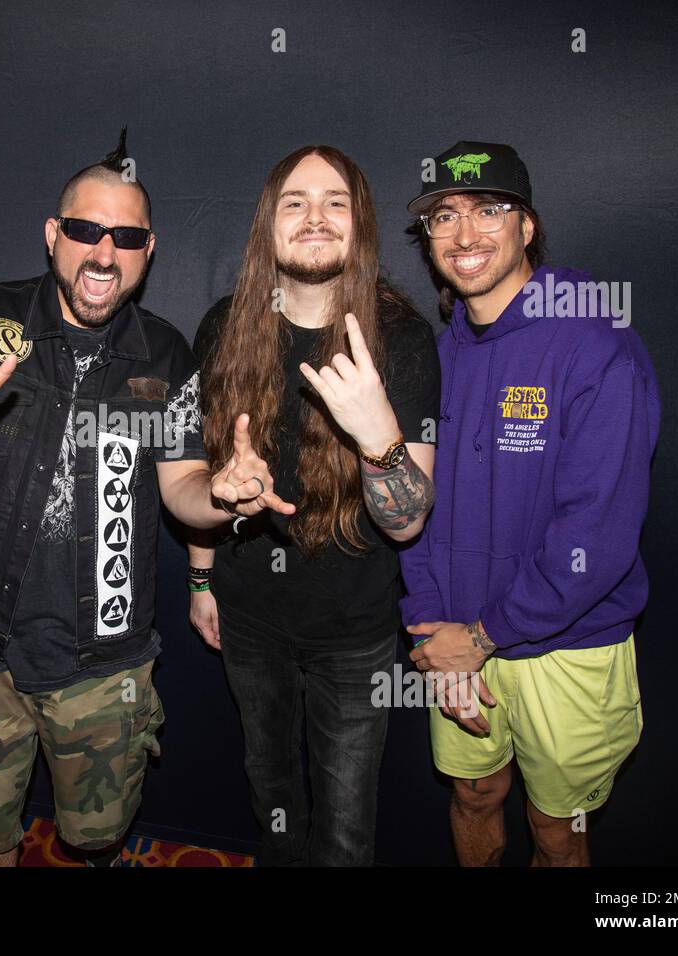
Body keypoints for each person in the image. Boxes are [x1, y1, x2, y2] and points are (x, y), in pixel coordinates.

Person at [0, 131, 291, 867]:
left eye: (125, 236)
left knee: (93, 843)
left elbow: (184, 492)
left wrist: (226, 497)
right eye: (85, 231)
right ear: (52, 236)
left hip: (105, 666)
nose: (104, 253)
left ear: (149, 248)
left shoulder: (165, 354)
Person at [400, 141, 660, 866]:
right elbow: (407, 499)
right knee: (473, 797)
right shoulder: (436, 355)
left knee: (556, 830)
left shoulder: (594, 342)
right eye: (443, 217)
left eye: (489, 209)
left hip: (567, 646)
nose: (465, 234)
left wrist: (481, 636)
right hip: (455, 640)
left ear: (528, 227)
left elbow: (597, 536)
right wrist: (431, 628)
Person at [189, 145, 440, 865]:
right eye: (294, 202)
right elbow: (210, 469)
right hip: (248, 620)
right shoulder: (225, 327)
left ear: (359, 226)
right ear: (269, 225)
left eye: (336, 202)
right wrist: (201, 575)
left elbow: (408, 519)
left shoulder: (404, 339)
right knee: (270, 799)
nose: (315, 217)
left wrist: (377, 434)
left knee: (345, 829)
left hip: (354, 634)